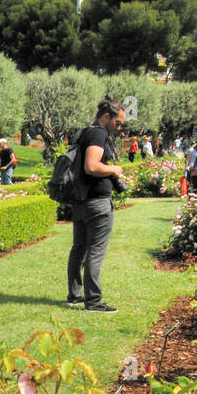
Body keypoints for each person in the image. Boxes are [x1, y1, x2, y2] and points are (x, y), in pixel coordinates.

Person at [66, 96, 126, 314]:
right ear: (107, 117)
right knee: (95, 251)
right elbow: (91, 166)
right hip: (96, 203)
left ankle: (74, 296)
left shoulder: (84, 132)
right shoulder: (99, 134)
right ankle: (93, 301)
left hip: (80, 200)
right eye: (118, 122)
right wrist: (113, 170)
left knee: (79, 249)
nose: (119, 128)